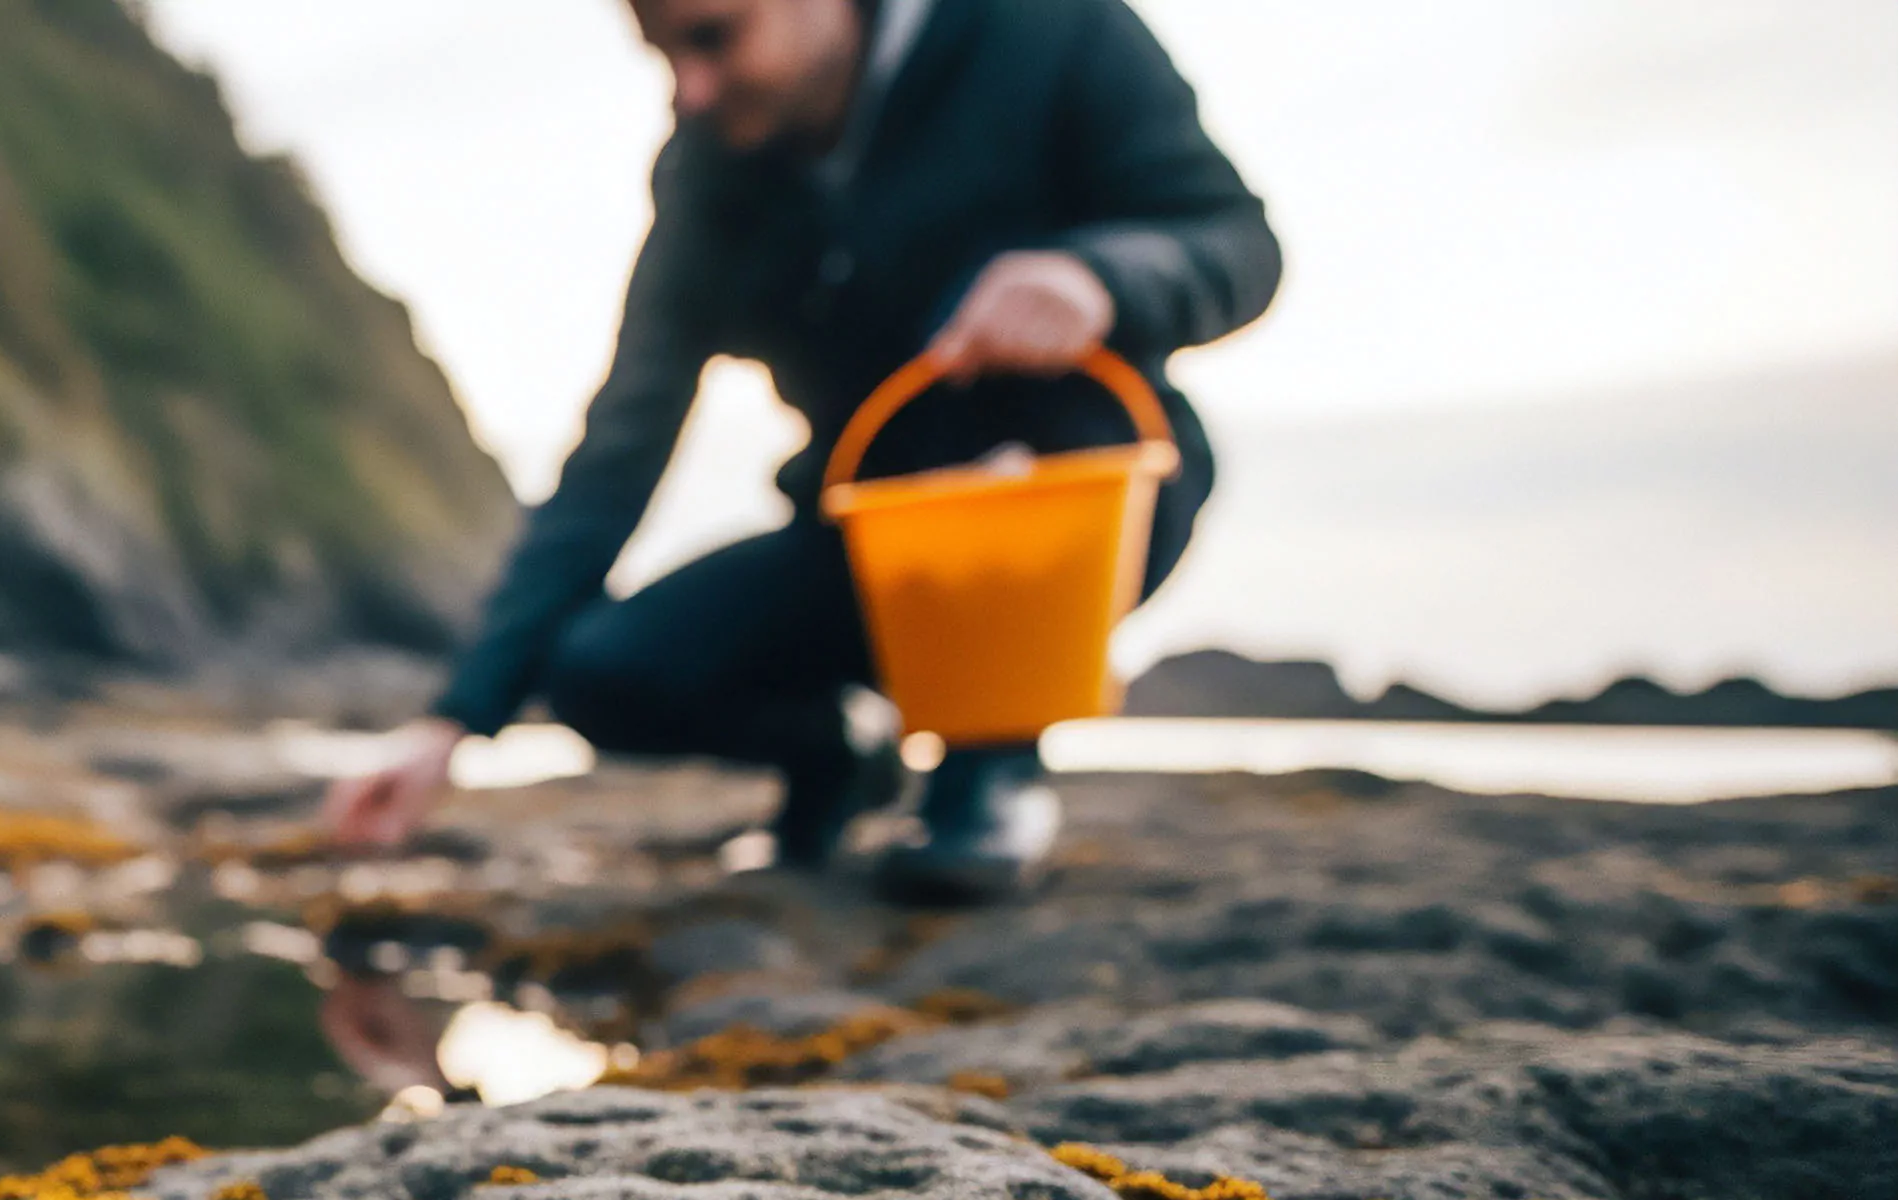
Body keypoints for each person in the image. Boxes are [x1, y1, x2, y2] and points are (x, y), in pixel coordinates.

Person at [325, 0, 1277, 900]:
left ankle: (989, 769)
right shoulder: (708, 170)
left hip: (1072, 511)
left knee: (963, 815)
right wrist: (456, 719)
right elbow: (622, 439)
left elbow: (1237, 241)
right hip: (868, 545)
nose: (689, 89)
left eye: (713, 38)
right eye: (665, 54)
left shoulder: (1044, 26)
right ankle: (840, 756)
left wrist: (1102, 277)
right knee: (597, 670)